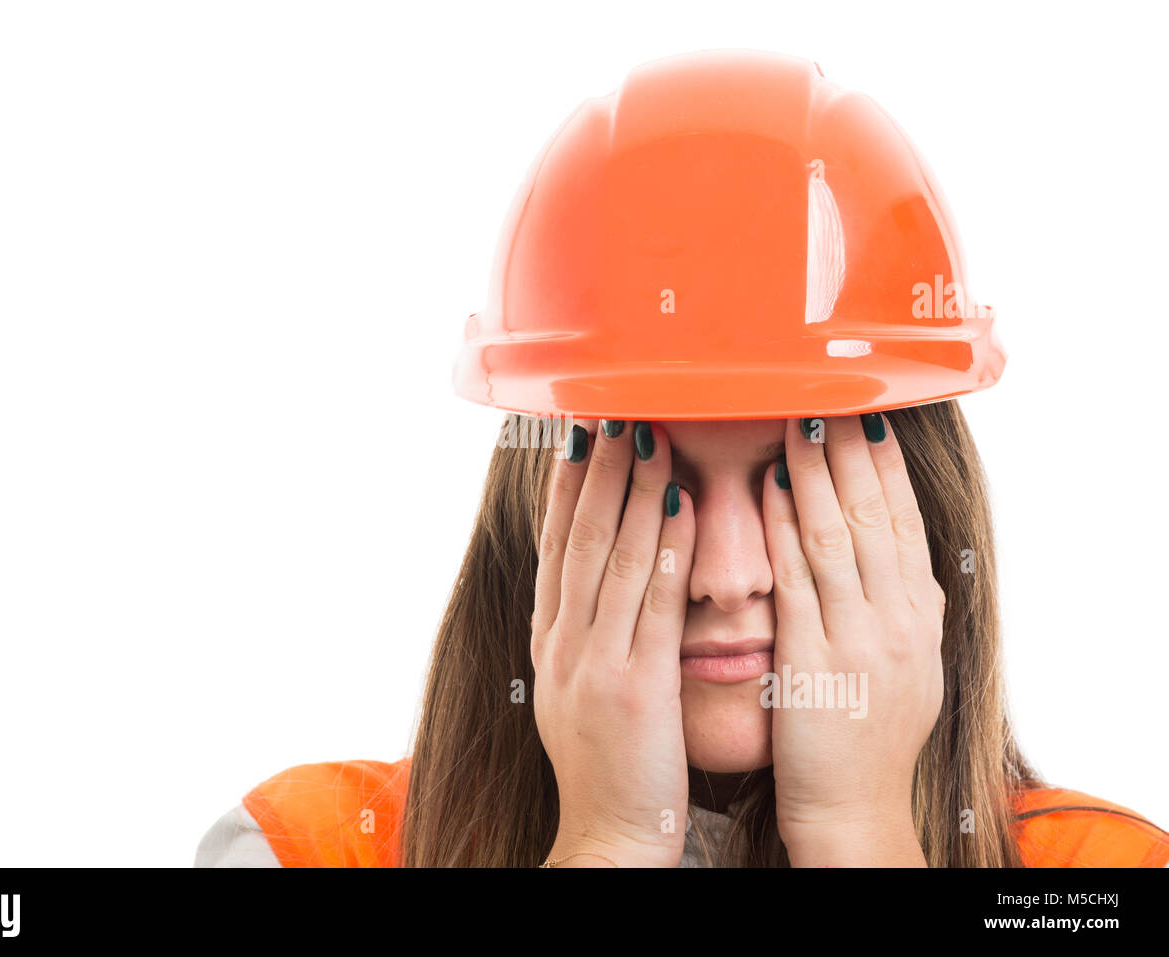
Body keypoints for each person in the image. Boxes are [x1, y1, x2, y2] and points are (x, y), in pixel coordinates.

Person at [195, 50, 1169, 867]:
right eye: (663, 489)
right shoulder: (309, 849)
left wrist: (859, 836)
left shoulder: (1098, 872)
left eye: (796, 480)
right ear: (536, 503)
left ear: (917, 511)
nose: (726, 576)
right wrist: (608, 842)